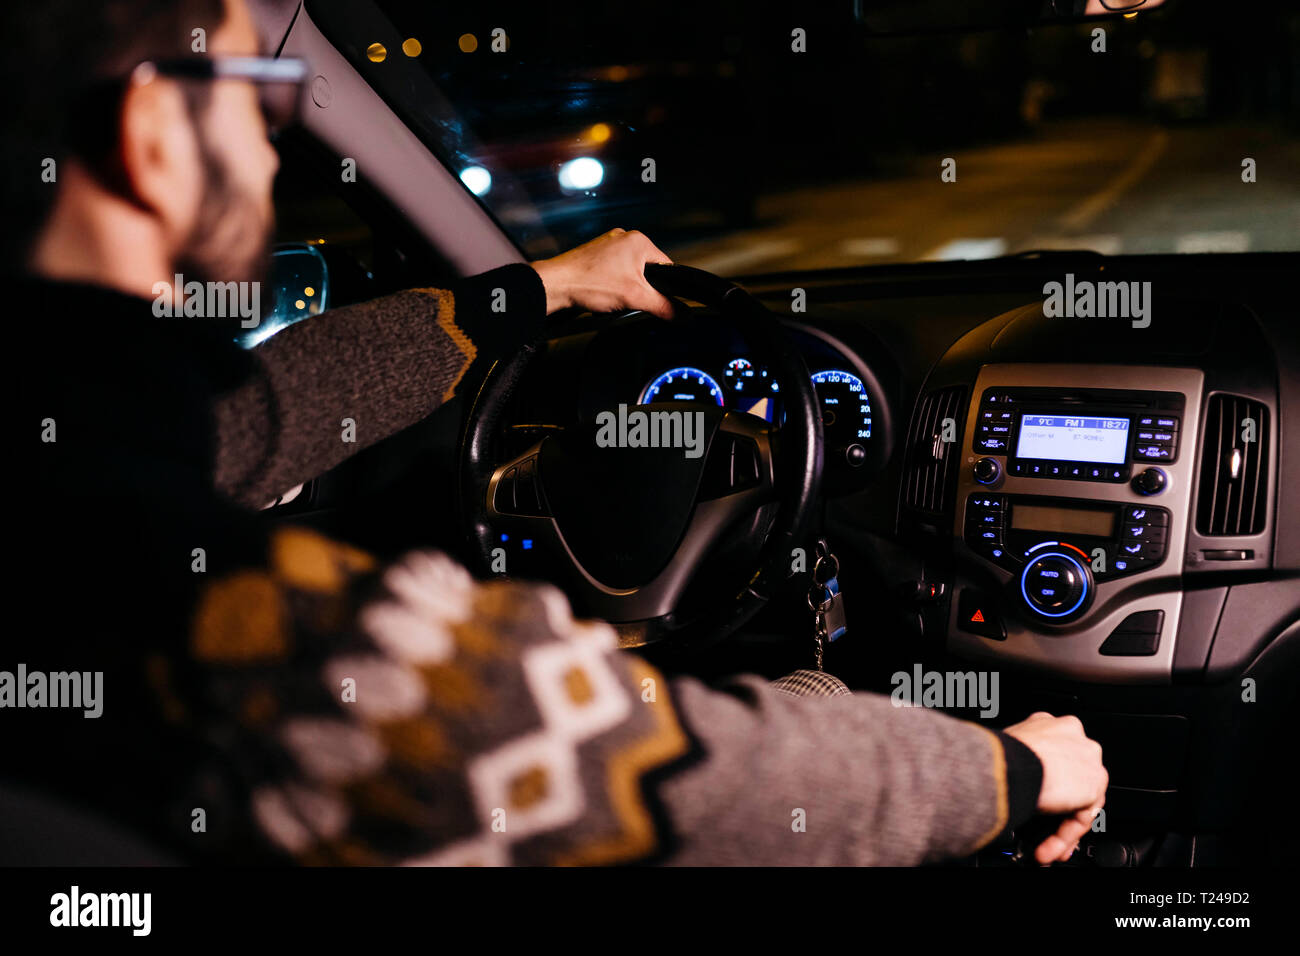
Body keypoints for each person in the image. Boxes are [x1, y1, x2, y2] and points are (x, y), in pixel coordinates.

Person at [2, 0, 1106, 865]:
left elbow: (264, 416)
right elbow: (678, 781)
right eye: (259, 96)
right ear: (154, 138)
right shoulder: (227, 631)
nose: (273, 141)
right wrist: (1009, 767)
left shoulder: (73, 458)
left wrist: (534, 290)